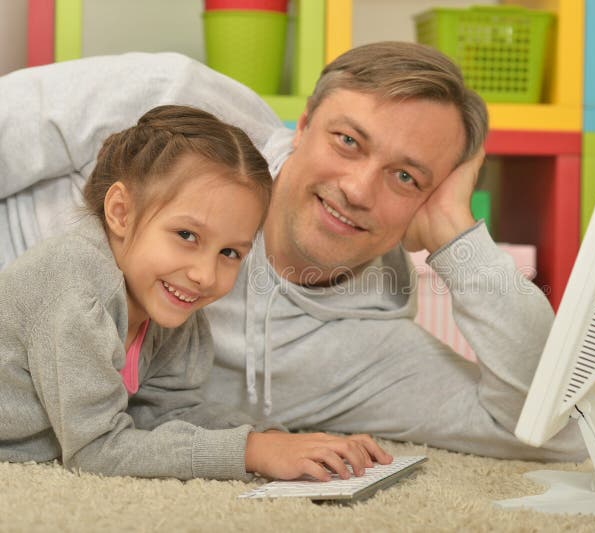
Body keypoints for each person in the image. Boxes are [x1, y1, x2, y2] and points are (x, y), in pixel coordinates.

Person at [0, 42, 585, 462]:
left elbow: (551, 428)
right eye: (347, 141)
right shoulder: (176, 98)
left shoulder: (373, 352)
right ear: (302, 126)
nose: (357, 189)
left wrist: (458, 234)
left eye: (406, 178)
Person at [0, 105, 391, 481]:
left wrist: (279, 441)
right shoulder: (75, 289)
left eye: (229, 253)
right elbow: (97, 449)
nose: (205, 275)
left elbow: (169, 411)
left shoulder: (170, 305)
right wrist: (250, 453)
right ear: (120, 211)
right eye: (187, 235)